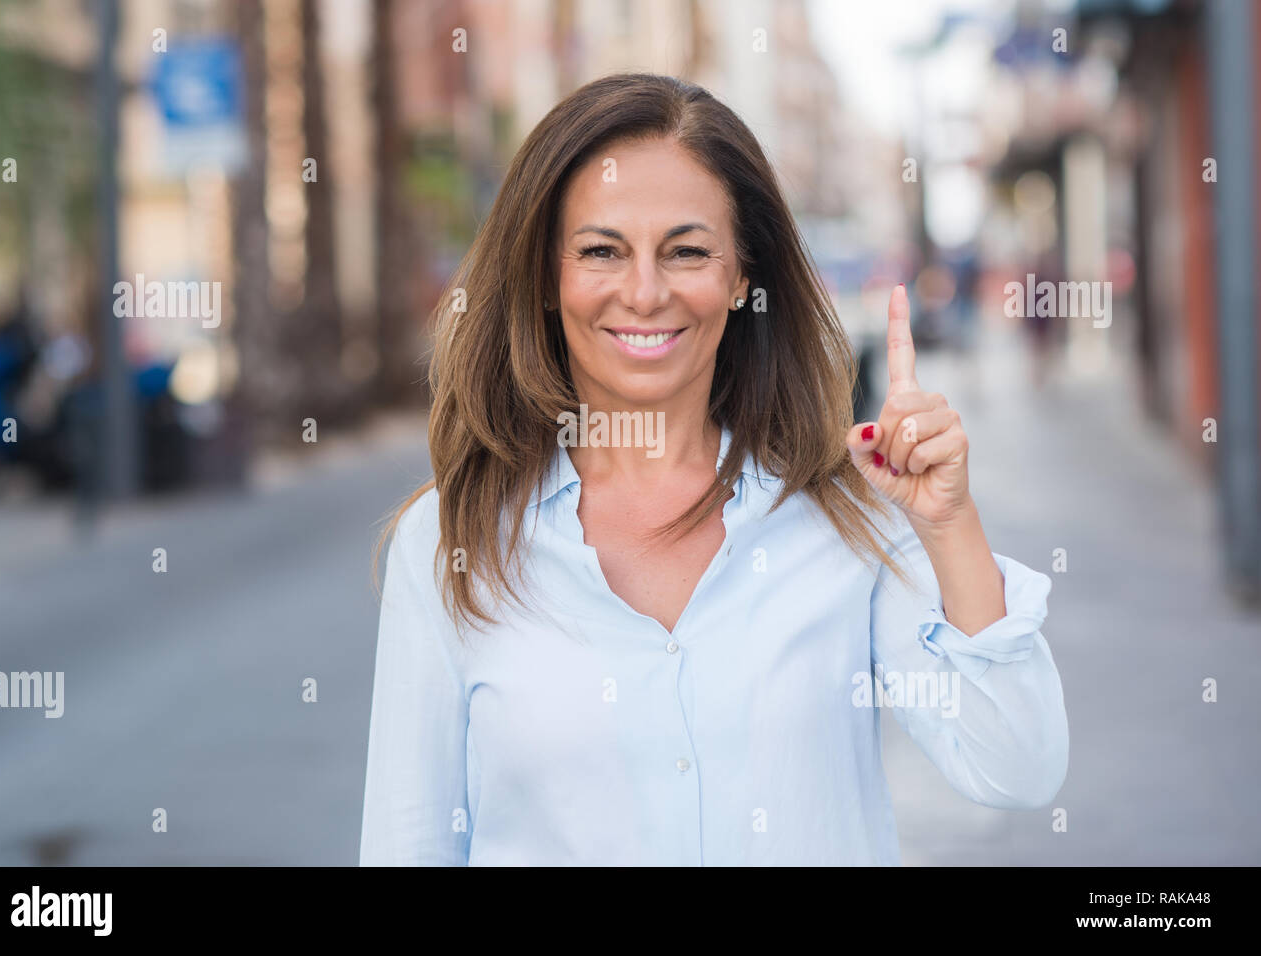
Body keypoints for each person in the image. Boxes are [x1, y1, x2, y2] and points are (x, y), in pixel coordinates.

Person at [360, 73, 1067, 866]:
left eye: (686, 251)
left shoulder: (852, 521)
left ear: (741, 279)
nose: (645, 291)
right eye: (601, 250)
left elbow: (1017, 766)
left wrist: (947, 524)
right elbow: (408, 843)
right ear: (546, 281)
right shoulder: (449, 542)